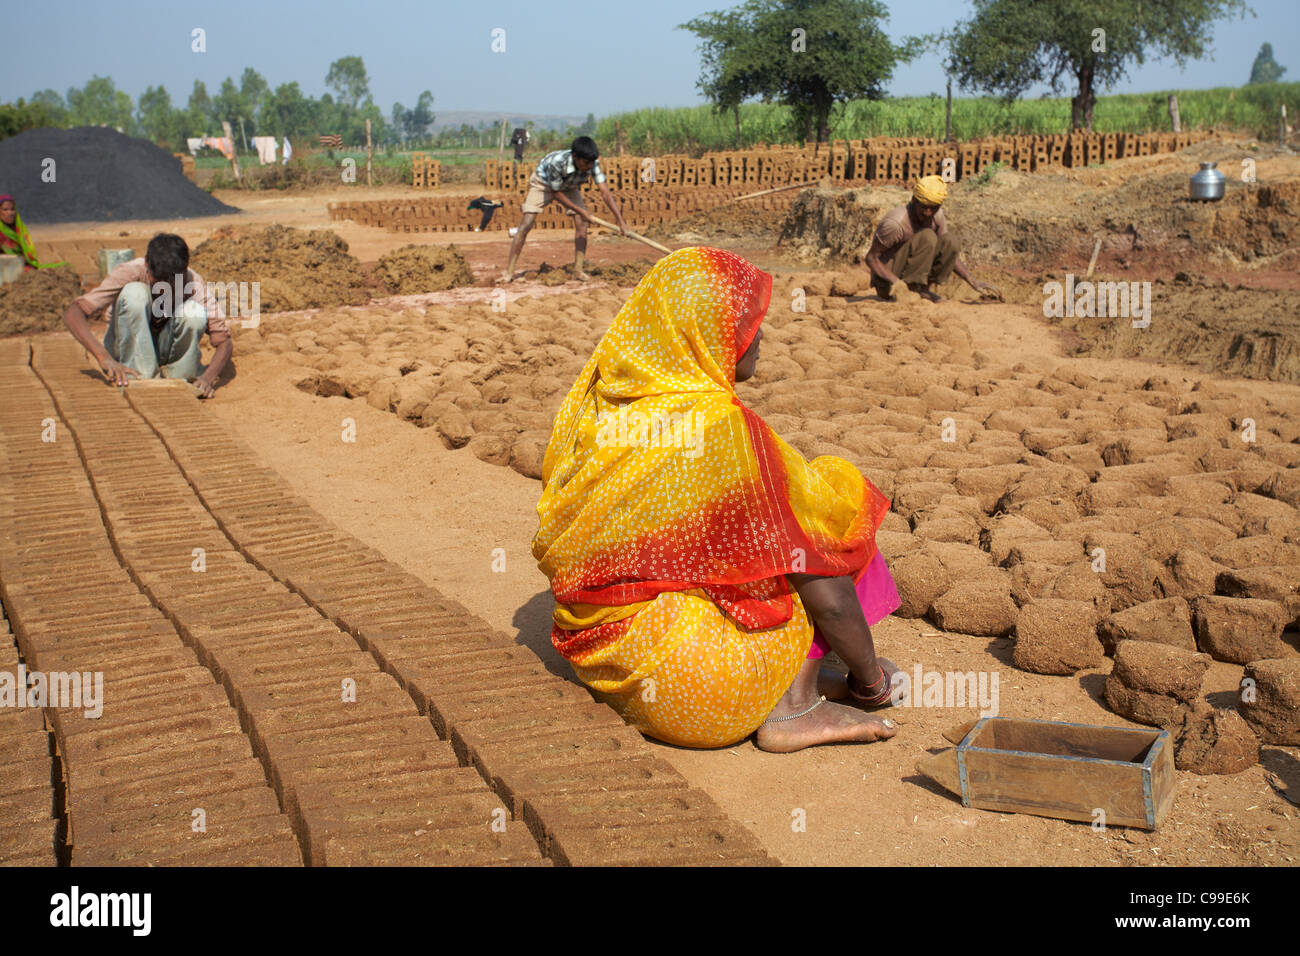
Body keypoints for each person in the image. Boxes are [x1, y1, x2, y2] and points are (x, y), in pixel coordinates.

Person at [533, 246, 902, 752]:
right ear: (700, 331)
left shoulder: (602, 406)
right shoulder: (720, 430)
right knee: (829, 520)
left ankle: (794, 682)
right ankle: (794, 706)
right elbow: (830, 596)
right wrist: (872, 684)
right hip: (701, 696)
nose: (759, 334)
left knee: (758, 539)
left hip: (611, 673)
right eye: (744, 321)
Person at [60, 233, 232, 399]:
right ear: (147, 267)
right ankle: (139, 377)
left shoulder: (192, 282)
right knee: (134, 293)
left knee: (193, 312)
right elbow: (74, 312)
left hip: (165, 350)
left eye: (171, 283)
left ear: (182, 272)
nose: (165, 289)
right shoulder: (130, 272)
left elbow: (224, 341)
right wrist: (104, 358)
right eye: (158, 282)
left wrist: (207, 378)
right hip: (126, 348)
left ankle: (180, 377)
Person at [500, 136, 628, 283]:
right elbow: (555, 192)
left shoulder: (593, 163)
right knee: (527, 222)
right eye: (585, 163)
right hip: (543, 184)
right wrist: (581, 211)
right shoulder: (557, 162)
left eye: (591, 163)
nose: (589, 166)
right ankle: (509, 272)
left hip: (569, 187)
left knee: (581, 224)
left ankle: (578, 270)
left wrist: (621, 221)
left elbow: (605, 192)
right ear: (575, 157)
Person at [864, 175, 1000, 303]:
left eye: (933, 208)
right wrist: (896, 283)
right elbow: (871, 258)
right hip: (889, 284)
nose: (927, 212)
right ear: (914, 201)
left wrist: (971, 280)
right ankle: (913, 289)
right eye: (923, 206)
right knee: (927, 236)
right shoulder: (896, 224)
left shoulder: (937, 216)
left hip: (908, 278)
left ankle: (921, 289)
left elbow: (947, 250)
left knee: (950, 241)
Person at [0, 194, 64, 270]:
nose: (10, 213)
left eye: (12, 209)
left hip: (22, 264)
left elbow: (27, 252)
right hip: (5, 267)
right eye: (5, 209)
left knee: (63, 266)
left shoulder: (20, 228)